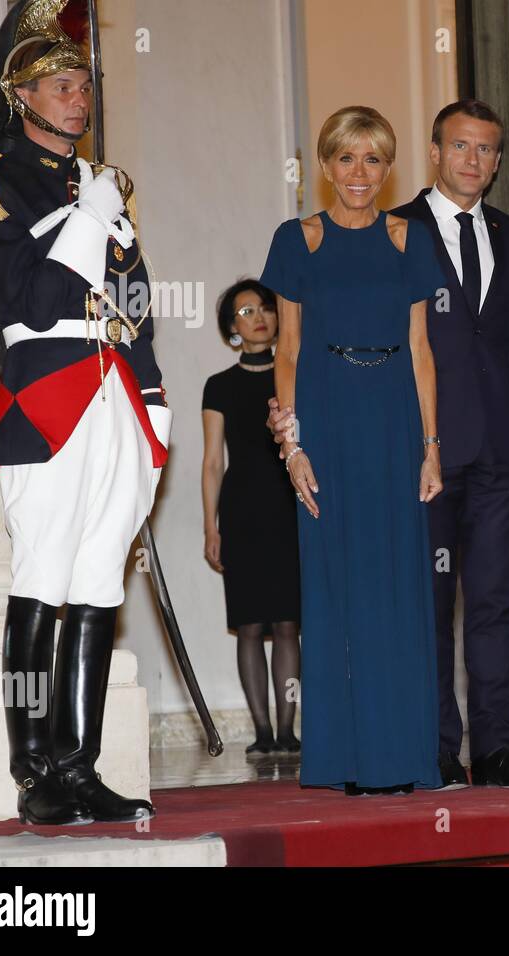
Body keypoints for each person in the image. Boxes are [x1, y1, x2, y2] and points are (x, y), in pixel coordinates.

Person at [0, 0, 164, 824]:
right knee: (41, 576)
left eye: (83, 85)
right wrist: (90, 216)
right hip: (47, 396)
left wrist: (153, 399)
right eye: (63, 86)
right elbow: (35, 303)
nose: (80, 98)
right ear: (23, 98)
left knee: (100, 576)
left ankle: (79, 764)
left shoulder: (96, 185)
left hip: (113, 398)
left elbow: (133, 299)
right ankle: (33, 772)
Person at [259, 106, 446, 794]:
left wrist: (430, 447)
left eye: (372, 160)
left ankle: (399, 758)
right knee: (336, 589)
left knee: (396, 589)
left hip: (395, 417)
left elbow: (423, 350)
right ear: (325, 165)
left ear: (388, 167)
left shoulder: (410, 239)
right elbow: (286, 353)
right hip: (328, 418)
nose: (359, 174)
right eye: (345, 159)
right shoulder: (297, 240)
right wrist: (294, 447)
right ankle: (342, 758)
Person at [389, 100, 509, 789]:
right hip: (422, 450)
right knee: (427, 603)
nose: (473, 161)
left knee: (493, 602)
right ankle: (432, 748)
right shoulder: (395, 231)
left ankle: (497, 750)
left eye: (486, 150)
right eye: (461, 147)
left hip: (502, 452)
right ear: (435, 151)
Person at [201, 280, 301, 757]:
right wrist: (209, 526)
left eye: (266, 307)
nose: (259, 317)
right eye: (246, 311)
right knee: (249, 626)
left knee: (286, 624)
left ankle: (288, 732)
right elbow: (212, 461)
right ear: (231, 328)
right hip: (241, 511)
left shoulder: (296, 375)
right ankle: (262, 733)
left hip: (289, 506)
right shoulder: (219, 386)